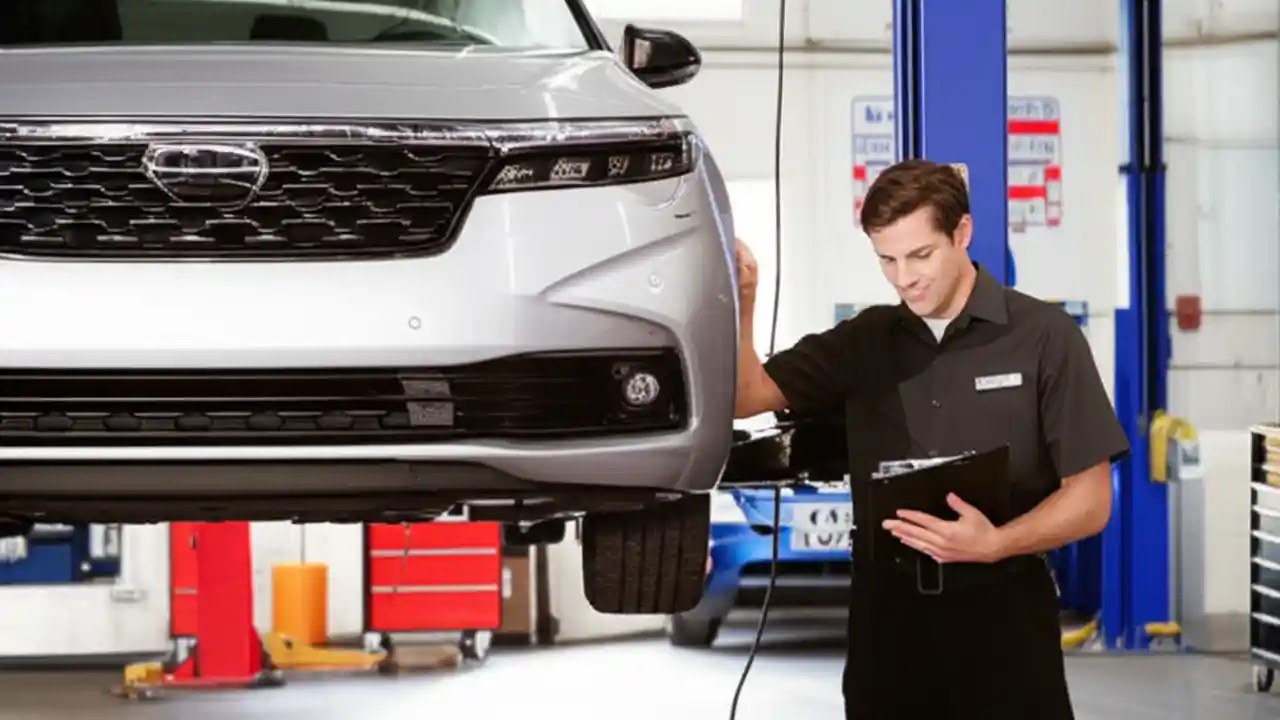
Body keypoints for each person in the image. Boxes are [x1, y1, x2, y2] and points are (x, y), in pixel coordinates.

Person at [732, 159, 1129, 720]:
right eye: (886, 260)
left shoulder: (1044, 338)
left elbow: (1090, 502)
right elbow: (746, 395)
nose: (903, 278)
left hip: (1004, 619)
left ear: (961, 233)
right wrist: (744, 298)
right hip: (887, 629)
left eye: (920, 256)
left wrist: (995, 543)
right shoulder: (865, 342)